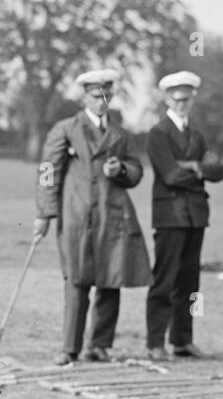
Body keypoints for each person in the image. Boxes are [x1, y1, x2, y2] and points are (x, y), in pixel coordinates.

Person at [34, 68, 150, 365]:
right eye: (97, 96)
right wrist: (45, 213)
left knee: (111, 279)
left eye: (108, 96)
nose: (103, 101)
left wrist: (121, 169)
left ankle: (99, 345)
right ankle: (69, 348)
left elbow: (137, 171)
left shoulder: (121, 134)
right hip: (77, 216)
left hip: (113, 215)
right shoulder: (66, 129)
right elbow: (48, 172)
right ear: (84, 96)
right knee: (77, 280)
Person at [144, 71, 223, 361]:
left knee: (191, 284)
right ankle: (155, 342)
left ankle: (182, 340)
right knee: (164, 281)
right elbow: (171, 175)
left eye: (187, 100)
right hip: (170, 216)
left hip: (195, 217)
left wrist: (192, 166)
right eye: (177, 99)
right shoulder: (158, 134)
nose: (182, 104)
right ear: (167, 99)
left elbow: (219, 171)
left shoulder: (197, 135)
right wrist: (198, 169)